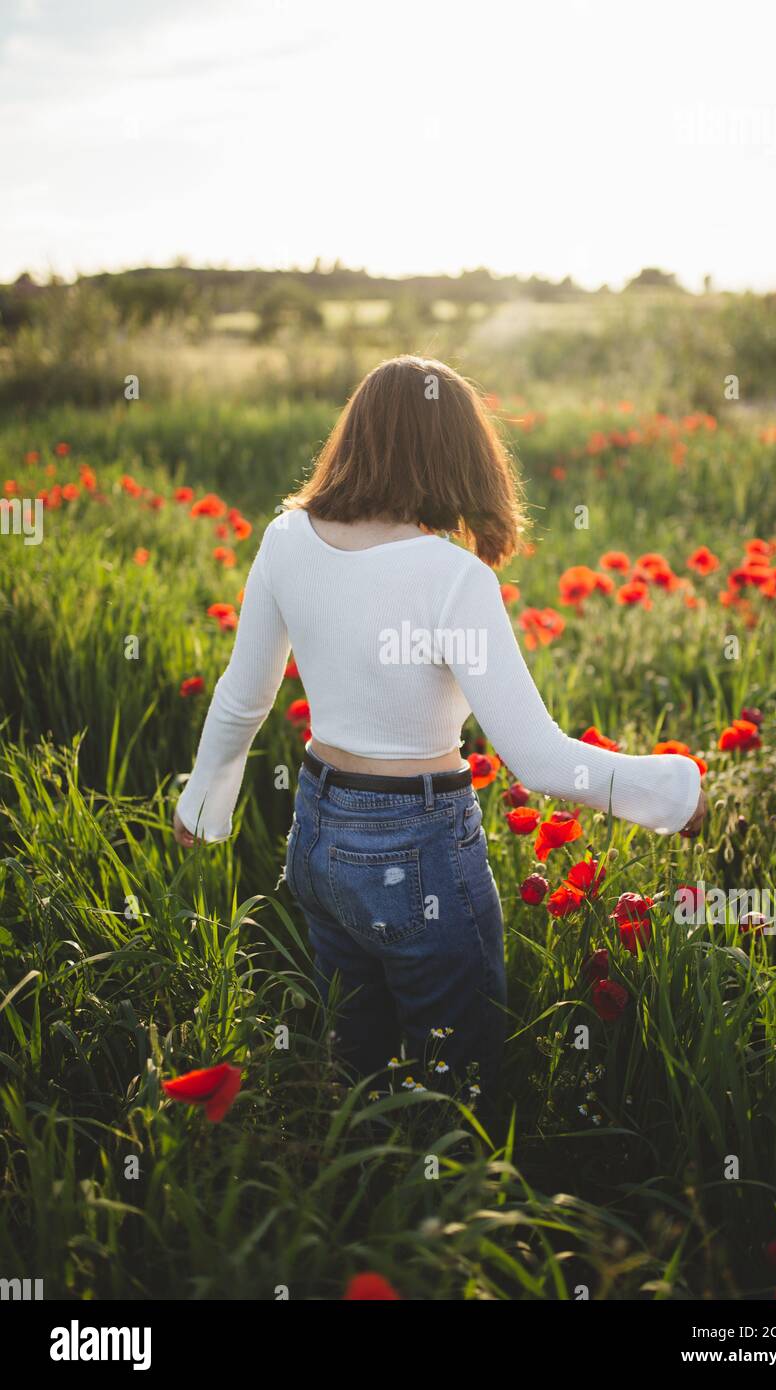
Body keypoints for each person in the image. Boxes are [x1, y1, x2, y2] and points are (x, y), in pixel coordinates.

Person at [174, 356, 706, 1102]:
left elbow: (242, 697)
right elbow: (538, 761)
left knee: (349, 1065)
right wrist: (678, 792)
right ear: (458, 454)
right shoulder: (453, 579)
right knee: (460, 1085)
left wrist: (203, 805)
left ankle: (353, 1195)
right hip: (416, 845)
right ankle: (443, 1197)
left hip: (318, 836)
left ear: (354, 435)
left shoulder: (286, 539)